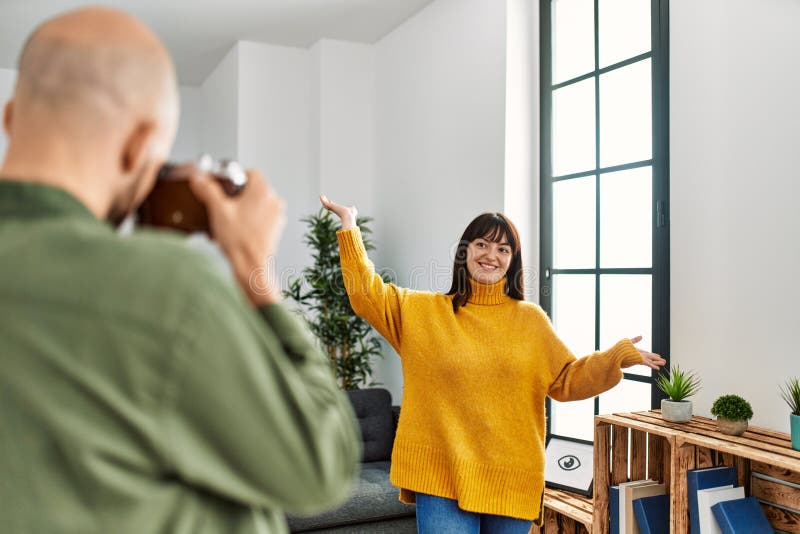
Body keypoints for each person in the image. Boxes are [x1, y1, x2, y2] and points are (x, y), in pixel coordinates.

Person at [0, 7, 360, 533]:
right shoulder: (170, 291)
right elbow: (322, 466)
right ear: (140, 145)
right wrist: (256, 271)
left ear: (10, 117)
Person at [320, 194, 666, 533]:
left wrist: (617, 357)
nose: (491, 256)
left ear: (512, 260)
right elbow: (365, 292)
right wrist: (349, 226)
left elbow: (567, 380)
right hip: (442, 475)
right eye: (483, 244)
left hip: (512, 476)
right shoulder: (421, 312)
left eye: (503, 249)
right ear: (465, 251)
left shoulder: (529, 320)